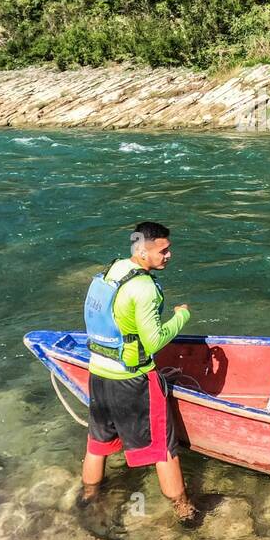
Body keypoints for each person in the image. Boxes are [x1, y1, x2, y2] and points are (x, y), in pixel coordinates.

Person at [79, 220, 197, 524]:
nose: (169, 255)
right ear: (143, 251)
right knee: (163, 448)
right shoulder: (144, 288)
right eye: (164, 250)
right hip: (132, 381)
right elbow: (154, 340)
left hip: (99, 373)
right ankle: (184, 511)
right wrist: (180, 317)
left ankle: (89, 497)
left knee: (97, 441)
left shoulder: (112, 270)